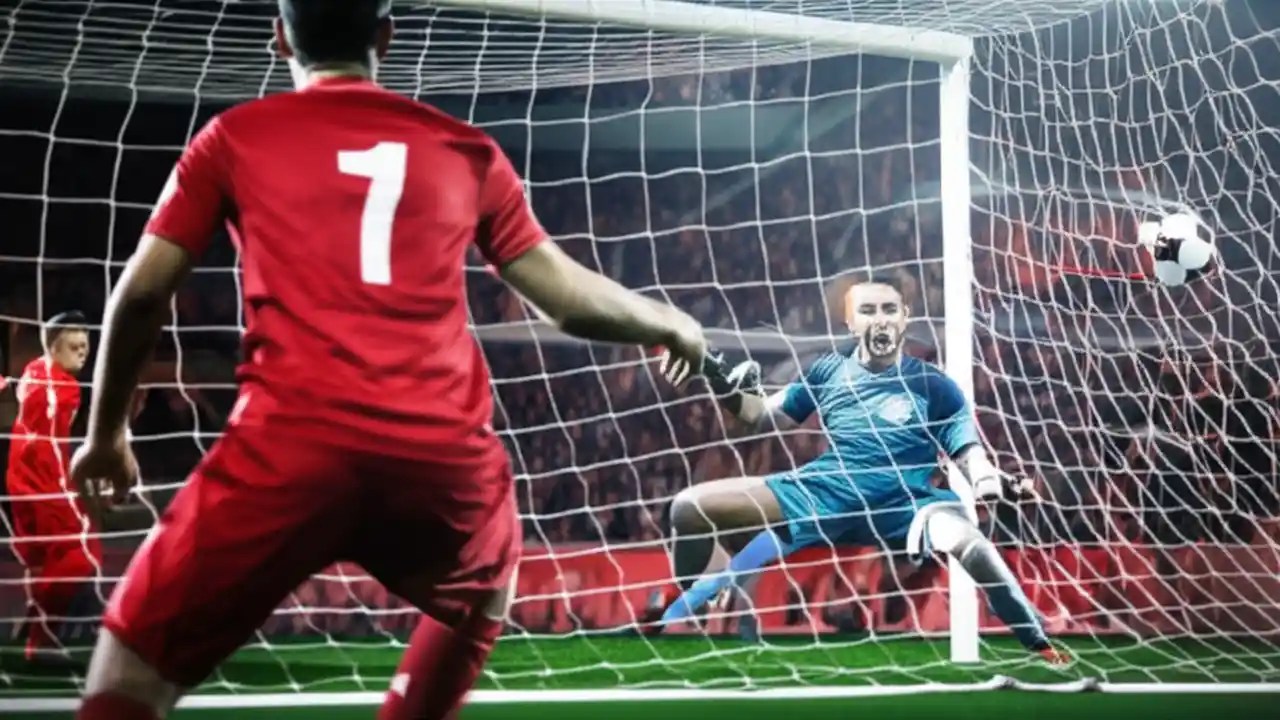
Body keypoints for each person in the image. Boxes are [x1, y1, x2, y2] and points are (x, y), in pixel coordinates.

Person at [65, 2, 707, 718]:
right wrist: (667, 319)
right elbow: (564, 298)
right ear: (386, 37)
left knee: (127, 675)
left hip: (288, 446)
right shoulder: (463, 148)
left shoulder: (233, 137)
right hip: (435, 455)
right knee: (485, 579)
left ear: (279, 39)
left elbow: (143, 293)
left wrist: (106, 434)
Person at [649, 274, 1069, 665]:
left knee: (972, 546)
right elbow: (760, 416)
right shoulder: (828, 371)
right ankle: (700, 594)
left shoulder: (933, 384)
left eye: (890, 309)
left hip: (907, 501)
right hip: (828, 489)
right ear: (851, 322)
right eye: (868, 310)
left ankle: (1040, 641)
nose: (880, 319)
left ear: (905, 317)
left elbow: (967, 448)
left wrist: (985, 479)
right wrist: (715, 375)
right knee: (688, 509)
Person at [5, 311, 97, 664]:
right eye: (75, 346)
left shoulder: (32, 370)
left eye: (85, 347)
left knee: (40, 561)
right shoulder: (65, 389)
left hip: (18, 480)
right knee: (84, 551)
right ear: (54, 347)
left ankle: (30, 624)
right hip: (44, 482)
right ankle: (41, 640)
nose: (82, 353)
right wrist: (69, 488)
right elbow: (48, 446)